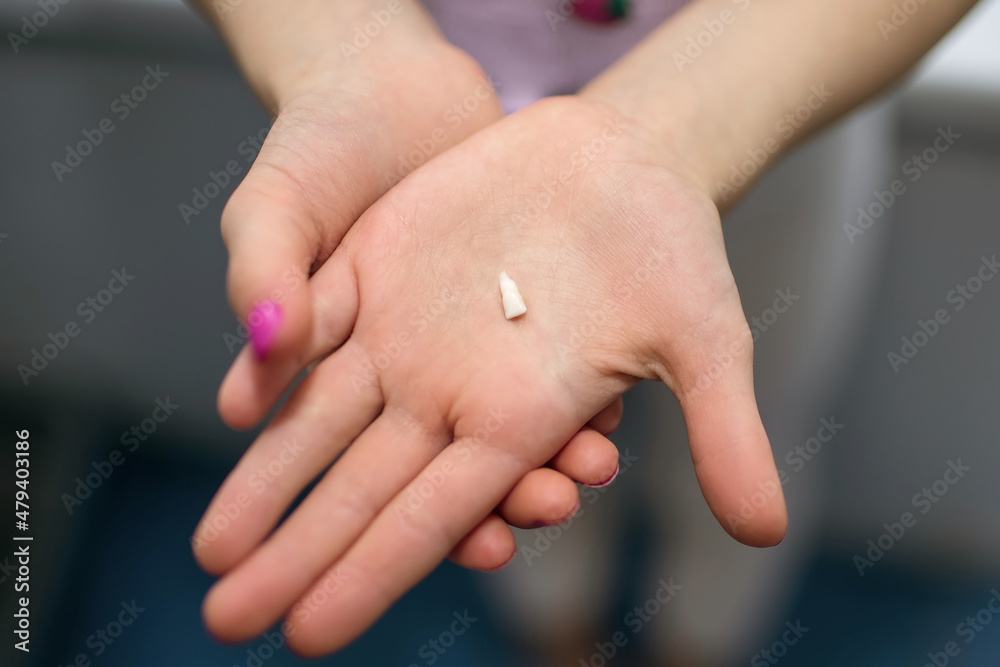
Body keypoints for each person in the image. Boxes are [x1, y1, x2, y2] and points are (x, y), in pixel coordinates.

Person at [187, 0, 981, 657]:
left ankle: (702, 640)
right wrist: (340, 49)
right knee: (505, 448)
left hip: (774, 90)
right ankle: (560, 634)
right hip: (437, 132)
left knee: (758, 415)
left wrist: (672, 131)